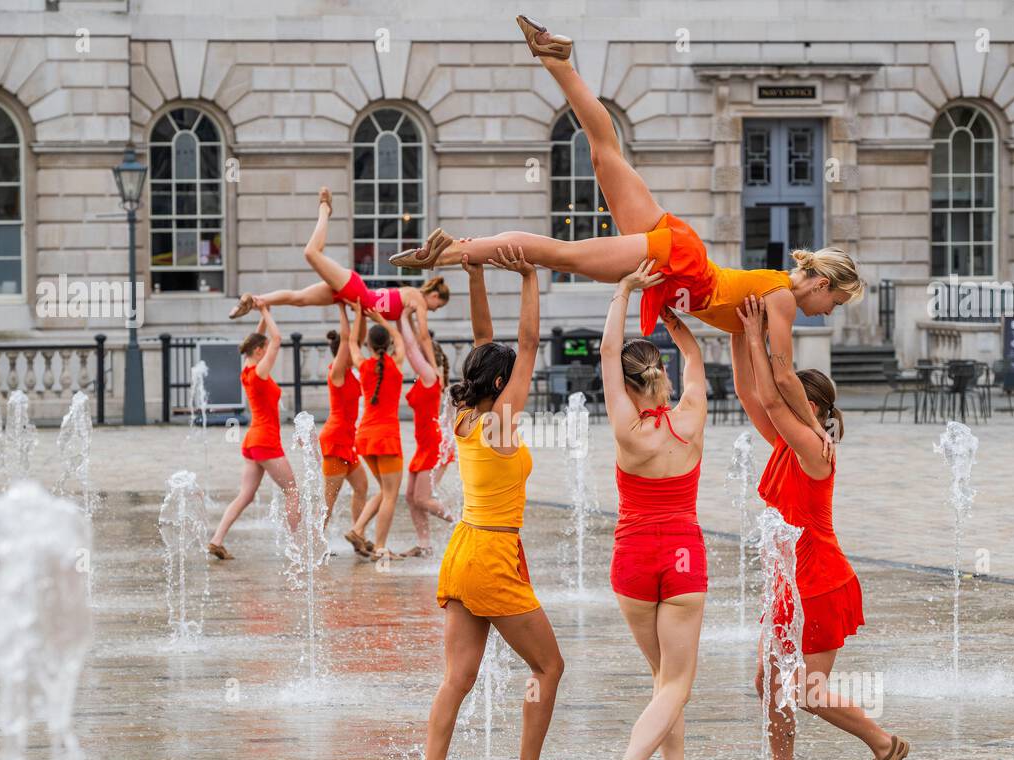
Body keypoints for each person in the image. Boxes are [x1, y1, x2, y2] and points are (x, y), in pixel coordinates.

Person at [390, 15, 863, 454]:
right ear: (822, 284)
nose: (828, 312)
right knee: (566, 256)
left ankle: (557, 59)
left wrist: (782, 446)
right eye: (835, 303)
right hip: (679, 264)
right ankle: (454, 251)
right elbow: (782, 377)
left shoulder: (762, 303)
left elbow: (747, 389)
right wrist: (815, 433)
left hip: (681, 251)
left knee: (604, 156)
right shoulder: (780, 299)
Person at [731, 294, 909, 760]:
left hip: (820, 584)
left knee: (807, 692)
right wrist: (735, 329)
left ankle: (885, 743)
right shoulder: (790, 443)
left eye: (791, 403)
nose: (779, 408)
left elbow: (769, 398)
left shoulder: (814, 448)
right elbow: (751, 393)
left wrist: (755, 336)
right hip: (790, 584)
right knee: (769, 681)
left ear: (807, 408)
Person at [414, 247, 571, 760]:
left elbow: (491, 347)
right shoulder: (502, 422)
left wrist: (475, 273)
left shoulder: (464, 417)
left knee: (457, 676)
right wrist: (530, 277)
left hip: (462, 548)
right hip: (493, 553)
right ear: (502, 383)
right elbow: (525, 345)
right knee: (548, 667)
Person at [596, 260, 712, 760]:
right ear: (660, 375)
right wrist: (674, 317)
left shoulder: (626, 427)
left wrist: (623, 292)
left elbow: (605, 357)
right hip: (684, 555)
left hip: (633, 559)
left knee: (664, 679)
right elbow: (694, 360)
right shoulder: (690, 417)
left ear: (627, 382)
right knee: (677, 682)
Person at [230, 185, 449, 340]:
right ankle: (324, 210)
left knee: (299, 299)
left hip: (353, 299)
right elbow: (423, 337)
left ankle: (254, 300)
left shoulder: (411, 301)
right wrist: (434, 367)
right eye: (437, 307)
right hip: (356, 291)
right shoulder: (417, 299)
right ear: (434, 296)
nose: (434, 311)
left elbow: (407, 332)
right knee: (311, 253)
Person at [208, 304, 300, 560]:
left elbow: (257, 339)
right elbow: (278, 339)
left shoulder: (246, 370)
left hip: (251, 442)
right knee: (293, 491)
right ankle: (298, 547)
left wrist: (262, 314)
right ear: (259, 351)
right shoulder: (260, 372)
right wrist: (265, 311)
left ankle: (217, 539)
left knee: (245, 495)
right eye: (264, 349)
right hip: (266, 441)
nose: (267, 352)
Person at [345, 309, 407, 560]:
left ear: (368, 344)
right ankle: (380, 547)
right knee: (391, 494)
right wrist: (382, 319)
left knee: (384, 490)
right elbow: (401, 341)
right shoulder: (396, 364)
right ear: (388, 344)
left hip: (365, 436)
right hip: (387, 437)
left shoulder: (363, 364)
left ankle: (358, 529)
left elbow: (351, 341)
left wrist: (358, 314)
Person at [399, 312, 457, 557]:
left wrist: (402, 319)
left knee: (422, 499)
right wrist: (408, 321)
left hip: (433, 443)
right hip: (425, 443)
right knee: (411, 498)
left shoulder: (430, 377)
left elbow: (412, 346)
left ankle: (463, 523)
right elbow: (414, 346)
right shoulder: (429, 378)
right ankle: (424, 545)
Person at [319, 303, 369, 543]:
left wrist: (361, 313)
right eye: (349, 348)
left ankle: (358, 535)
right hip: (335, 439)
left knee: (361, 487)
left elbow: (357, 338)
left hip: (348, 439)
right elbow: (349, 338)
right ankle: (313, 544)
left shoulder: (350, 371)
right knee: (329, 501)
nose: (355, 349)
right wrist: (342, 308)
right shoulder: (336, 371)